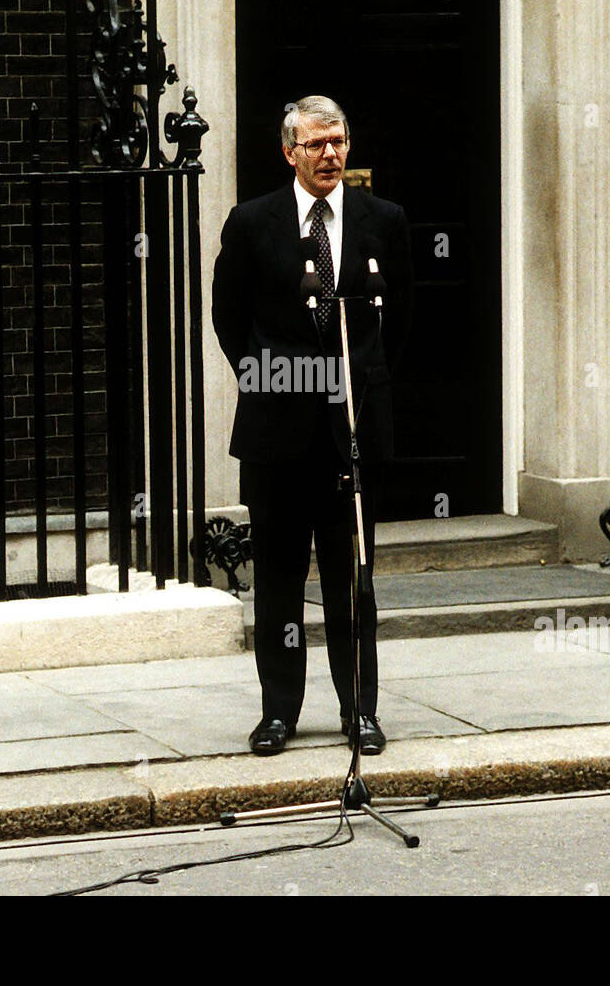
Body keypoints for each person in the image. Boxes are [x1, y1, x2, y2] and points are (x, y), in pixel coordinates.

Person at [212, 95, 413, 755]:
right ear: (289, 151)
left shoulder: (384, 219)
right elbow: (230, 319)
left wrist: (364, 386)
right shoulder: (251, 223)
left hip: (353, 429)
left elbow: (399, 320)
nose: (330, 154)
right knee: (276, 579)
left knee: (351, 574)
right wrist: (276, 381)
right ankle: (279, 712)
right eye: (317, 144)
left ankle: (360, 710)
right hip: (277, 433)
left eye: (339, 141)